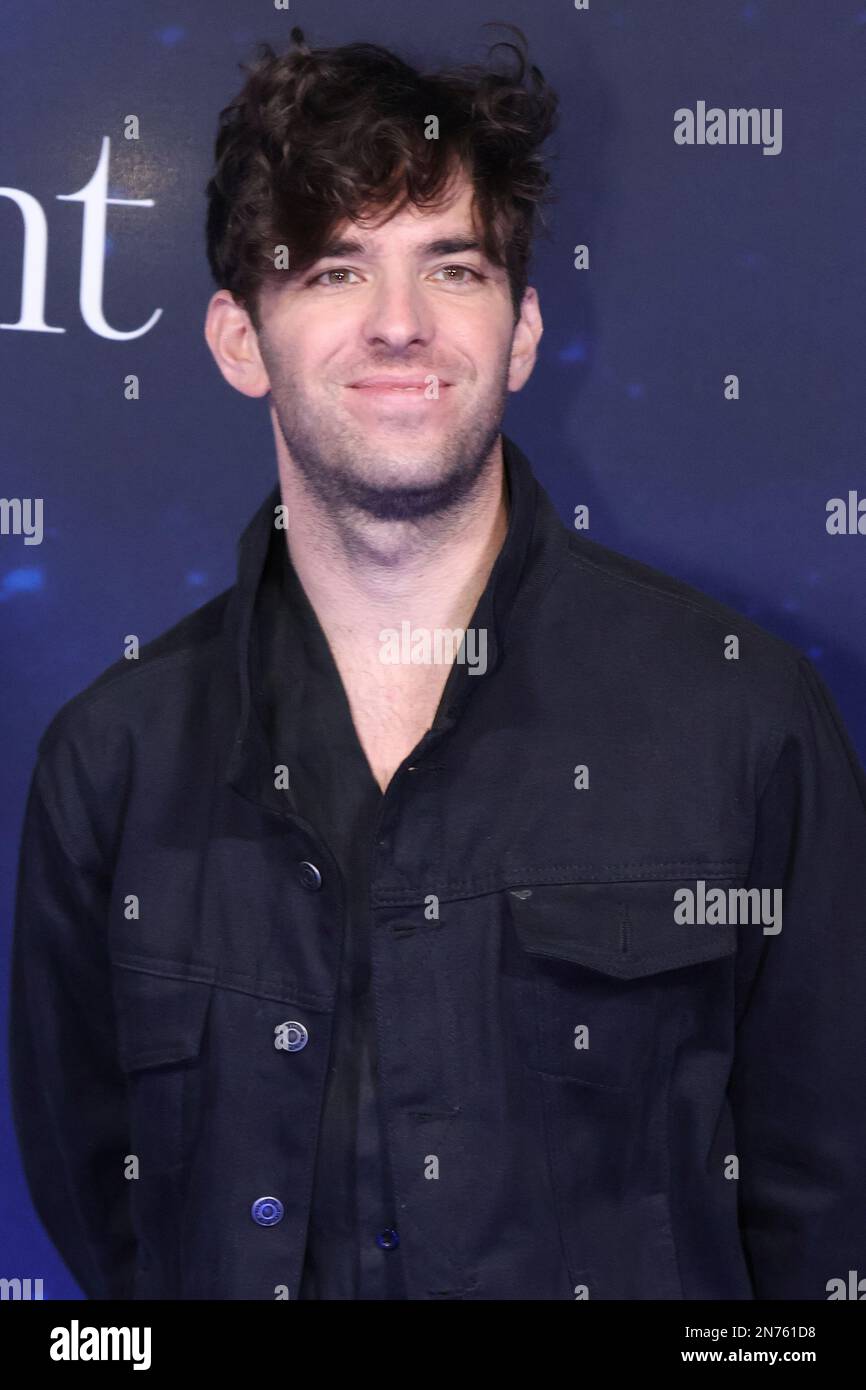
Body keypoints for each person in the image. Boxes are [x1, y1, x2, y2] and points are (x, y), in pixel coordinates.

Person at [9, 24, 866, 1301]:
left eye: (449, 268)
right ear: (240, 340)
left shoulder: (738, 711)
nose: (399, 326)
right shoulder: (112, 765)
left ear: (518, 331)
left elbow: (826, 1209)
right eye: (335, 272)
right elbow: (106, 1221)